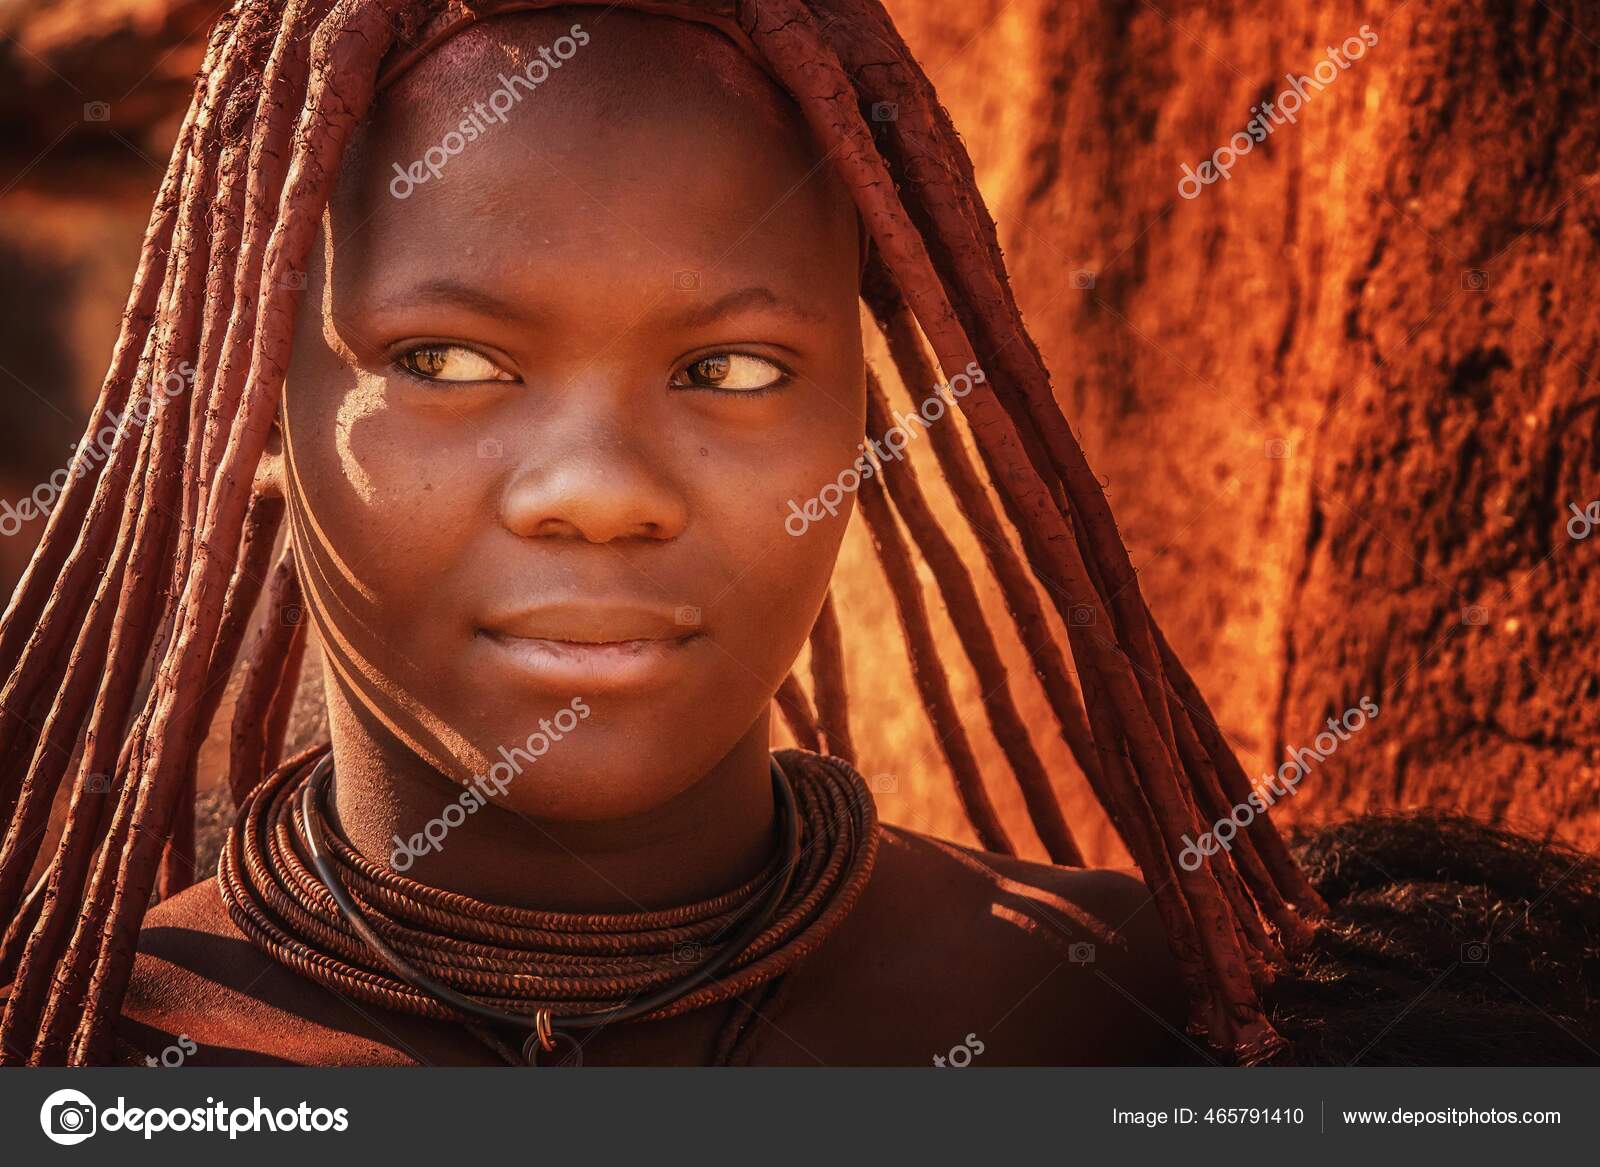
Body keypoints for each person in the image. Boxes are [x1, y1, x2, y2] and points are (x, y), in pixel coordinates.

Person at [0, 0, 1317, 1066]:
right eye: (449, 358)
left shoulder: (1149, 1024)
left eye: (731, 371)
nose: (599, 489)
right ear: (261, 405)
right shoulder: (79, 1059)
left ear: (857, 418)